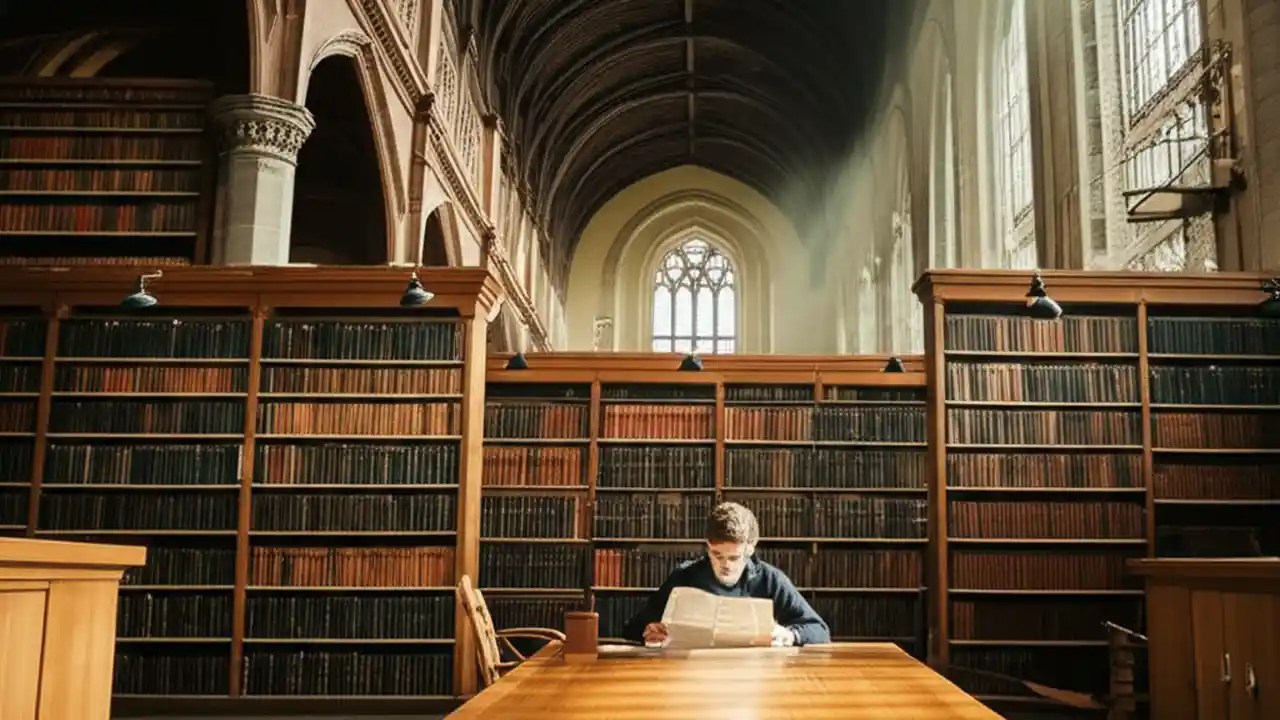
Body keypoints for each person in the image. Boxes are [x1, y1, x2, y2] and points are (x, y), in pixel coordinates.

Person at [622, 501, 830, 647]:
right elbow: (633, 627)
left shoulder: (770, 580)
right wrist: (649, 630)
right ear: (707, 546)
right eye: (716, 555)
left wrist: (789, 635)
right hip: (696, 678)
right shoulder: (685, 576)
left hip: (754, 677)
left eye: (734, 558)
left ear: (750, 549)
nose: (725, 565)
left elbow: (819, 630)